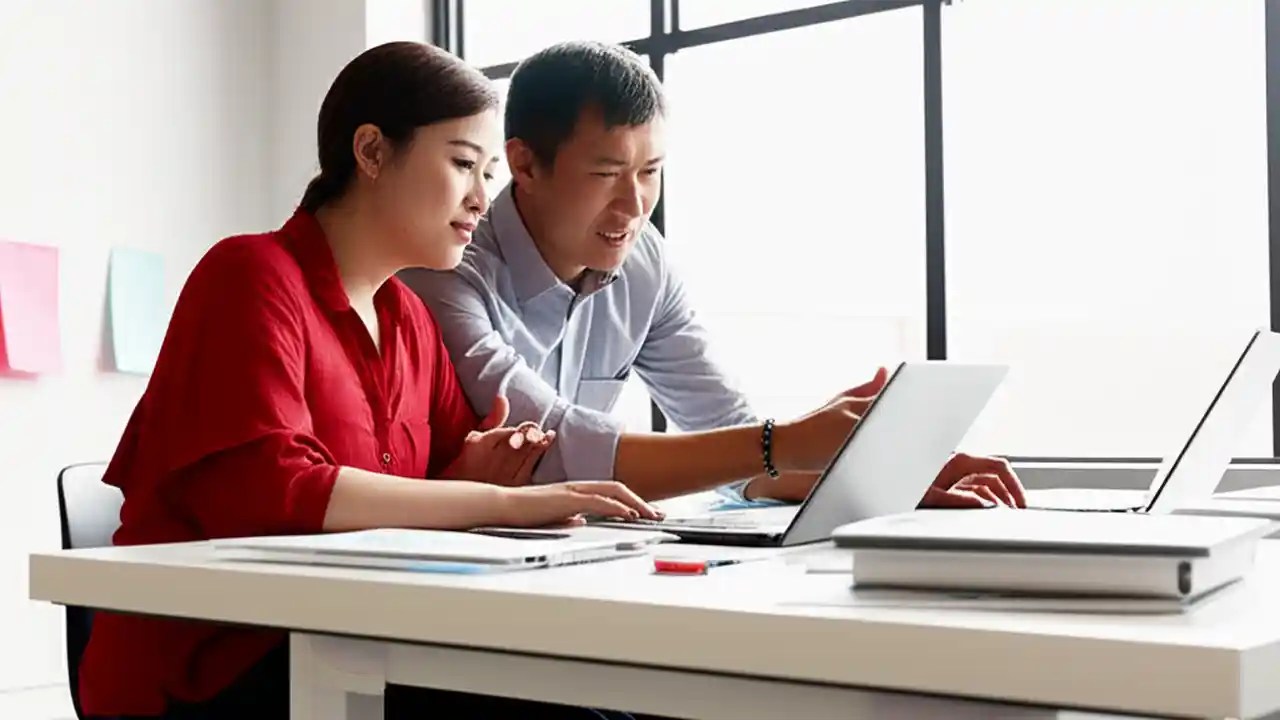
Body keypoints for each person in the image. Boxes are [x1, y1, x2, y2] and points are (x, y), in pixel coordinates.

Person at [77, 41, 669, 720]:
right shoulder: (249, 275)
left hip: (356, 643)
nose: (482, 197)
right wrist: (495, 503)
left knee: (615, 700)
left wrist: (476, 473)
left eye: (488, 174)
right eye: (462, 165)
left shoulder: (411, 321)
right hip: (216, 668)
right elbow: (277, 494)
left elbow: (432, 487)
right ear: (372, 152)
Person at [402, 41, 1026, 509]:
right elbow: (553, 449)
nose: (634, 205)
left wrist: (885, 482)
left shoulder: (646, 264)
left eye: (651, 172)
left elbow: (732, 447)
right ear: (525, 164)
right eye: (605, 174)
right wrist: (785, 441)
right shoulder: (445, 267)